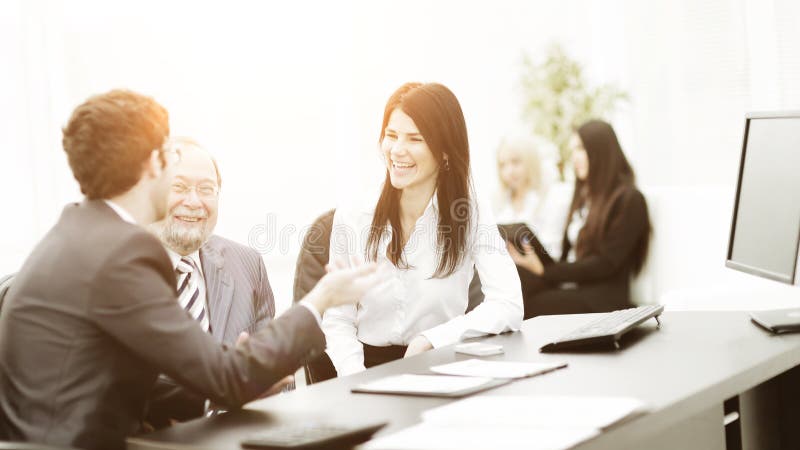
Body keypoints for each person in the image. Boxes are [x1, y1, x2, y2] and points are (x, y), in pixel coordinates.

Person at [0, 90, 383, 450]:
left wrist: (216, 392)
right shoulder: (121, 252)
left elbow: (110, 384)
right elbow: (229, 376)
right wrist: (323, 297)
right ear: (154, 162)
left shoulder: (76, 232)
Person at [322, 82, 523, 376]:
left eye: (415, 139)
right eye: (391, 136)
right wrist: (356, 380)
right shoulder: (355, 214)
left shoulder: (469, 210)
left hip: (442, 365)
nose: (397, 150)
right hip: (367, 369)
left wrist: (430, 340)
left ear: (444, 152)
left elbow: (508, 303)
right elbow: (338, 319)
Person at [145, 137, 277, 428]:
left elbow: (275, 381)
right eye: (178, 187)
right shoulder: (119, 273)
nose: (194, 202)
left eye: (206, 189)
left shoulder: (247, 263)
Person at [507, 120, 651, 319]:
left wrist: (547, 272)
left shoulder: (630, 200)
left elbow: (605, 264)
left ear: (601, 151)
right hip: (572, 288)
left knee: (526, 304)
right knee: (513, 281)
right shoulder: (584, 198)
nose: (574, 157)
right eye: (573, 150)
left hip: (603, 297)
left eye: (580, 149)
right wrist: (538, 267)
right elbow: (569, 257)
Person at [492, 134, 563, 256]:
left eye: (515, 162)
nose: (509, 171)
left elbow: (553, 252)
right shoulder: (499, 203)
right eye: (503, 165)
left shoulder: (550, 198)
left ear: (530, 161)